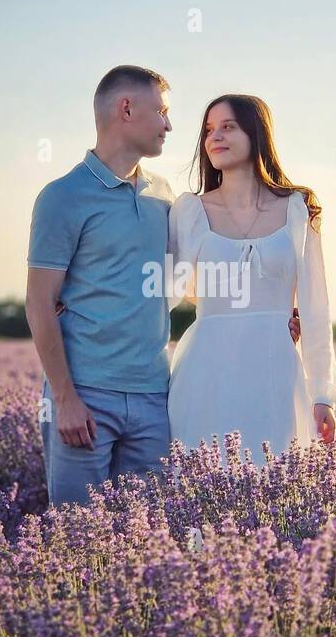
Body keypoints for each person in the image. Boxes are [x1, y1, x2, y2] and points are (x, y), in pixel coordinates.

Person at [25, 65, 303, 508]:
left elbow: (188, 283)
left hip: (156, 396)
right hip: (86, 395)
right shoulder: (63, 197)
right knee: (77, 535)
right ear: (127, 109)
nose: (171, 124)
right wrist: (65, 398)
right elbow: (39, 302)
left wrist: (266, 311)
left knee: (150, 533)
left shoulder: (165, 196)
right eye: (163, 111)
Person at [167, 94, 336, 466]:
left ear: (257, 133)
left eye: (228, 126)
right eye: (209, 130)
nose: (215, 137)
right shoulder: (189, 210)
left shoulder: (298, 209)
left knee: (276, 486)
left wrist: (322, 393)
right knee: (201, 486)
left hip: (274, 370)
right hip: (205, 370)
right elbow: (167, 292)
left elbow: (315, 308)